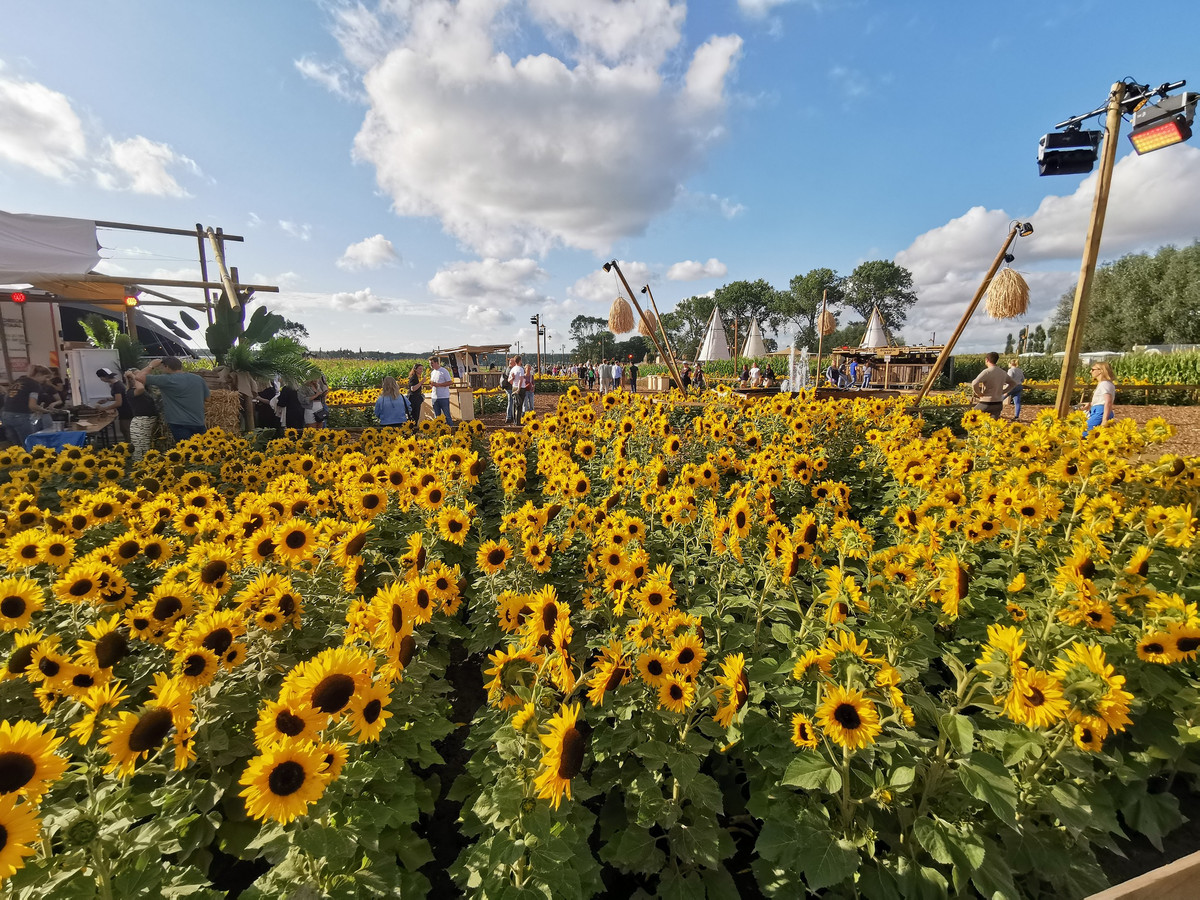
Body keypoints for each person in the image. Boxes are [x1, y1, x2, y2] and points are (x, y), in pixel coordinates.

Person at [135, 357, 210, 443]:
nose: (161, 370)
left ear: (166, 367)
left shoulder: (165, 379)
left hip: (179, 423)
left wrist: (151, 365)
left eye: (162, 368)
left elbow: (139, 377)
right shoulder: (198, 379)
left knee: (186, 448)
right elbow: (207, 398)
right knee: (203, 448)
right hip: (198, 421)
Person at [3, 365, 52, 448]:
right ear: (38, 375)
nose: (46, 380)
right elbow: (32, 405)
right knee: (28, 443)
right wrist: (46, 411)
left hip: (5, 414)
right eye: (46, 377)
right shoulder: (34, 384)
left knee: (16, 447)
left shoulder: (18, 381)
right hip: (20, 415)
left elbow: (6, 397)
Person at [125, 369, 159, 460]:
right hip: (140, 423)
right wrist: (133, 376)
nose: (140, 377)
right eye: (137, 376)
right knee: (140, 448)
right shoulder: (131, 392)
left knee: (147, 447)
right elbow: (140, 388)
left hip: (148, 422)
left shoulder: (146, 391)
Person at [970, 351, 1014, 419]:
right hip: (998, 403)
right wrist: (1003, 391)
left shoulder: (987, 372)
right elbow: (1013, 383)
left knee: (970, 417)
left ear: (987, 360)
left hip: (986, 402)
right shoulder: (1003, 372)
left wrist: (979, 393)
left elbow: (974, 383)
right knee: (992, 423)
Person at [95, 368, 133, 443]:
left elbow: (119, 403)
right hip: (125, 410)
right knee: (124, 430)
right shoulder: (117, 383)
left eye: (101, 377)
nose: (101, 379)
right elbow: (120, 396)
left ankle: (131, 447)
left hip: (126, 411)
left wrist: (104, 408)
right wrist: (108, 399)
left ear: (104, 377)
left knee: (126, 431)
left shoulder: (117, 386)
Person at [1084, 362, 1116, 435]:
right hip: (1098, 411)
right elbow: (1102, 400)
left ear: (1101, 371)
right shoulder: (1104, 384)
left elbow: (1108, 402)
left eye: (1093, 369)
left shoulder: (1105, 384)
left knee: (1084, 432)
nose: (1090, 371)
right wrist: (1090, 404)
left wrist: (1104, 419)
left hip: (1101, 413)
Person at [429, 356, 454, 424]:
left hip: (443, 397)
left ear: (437, 362)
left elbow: (450, 382)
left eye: (432, 363)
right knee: (437, 417)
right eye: (430, 363)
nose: (431, 365)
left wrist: (438, 384)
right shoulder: (432, 372)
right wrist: (432, 385)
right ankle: (438, 429)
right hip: (434, 397)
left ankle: (450, 428)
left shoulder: (444, 371)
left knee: (447, 415)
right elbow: (433, 384)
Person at [508, 356, 526, 421]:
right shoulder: (521, 369)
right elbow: (521, 380)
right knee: (519, 405)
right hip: (521, 388)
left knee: (514, 404)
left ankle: (514, 420)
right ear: (520, 361)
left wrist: (513, 378)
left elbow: (509, 381)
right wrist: (519, 389)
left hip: (514, 387)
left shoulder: (513, 369)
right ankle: (518, 421)